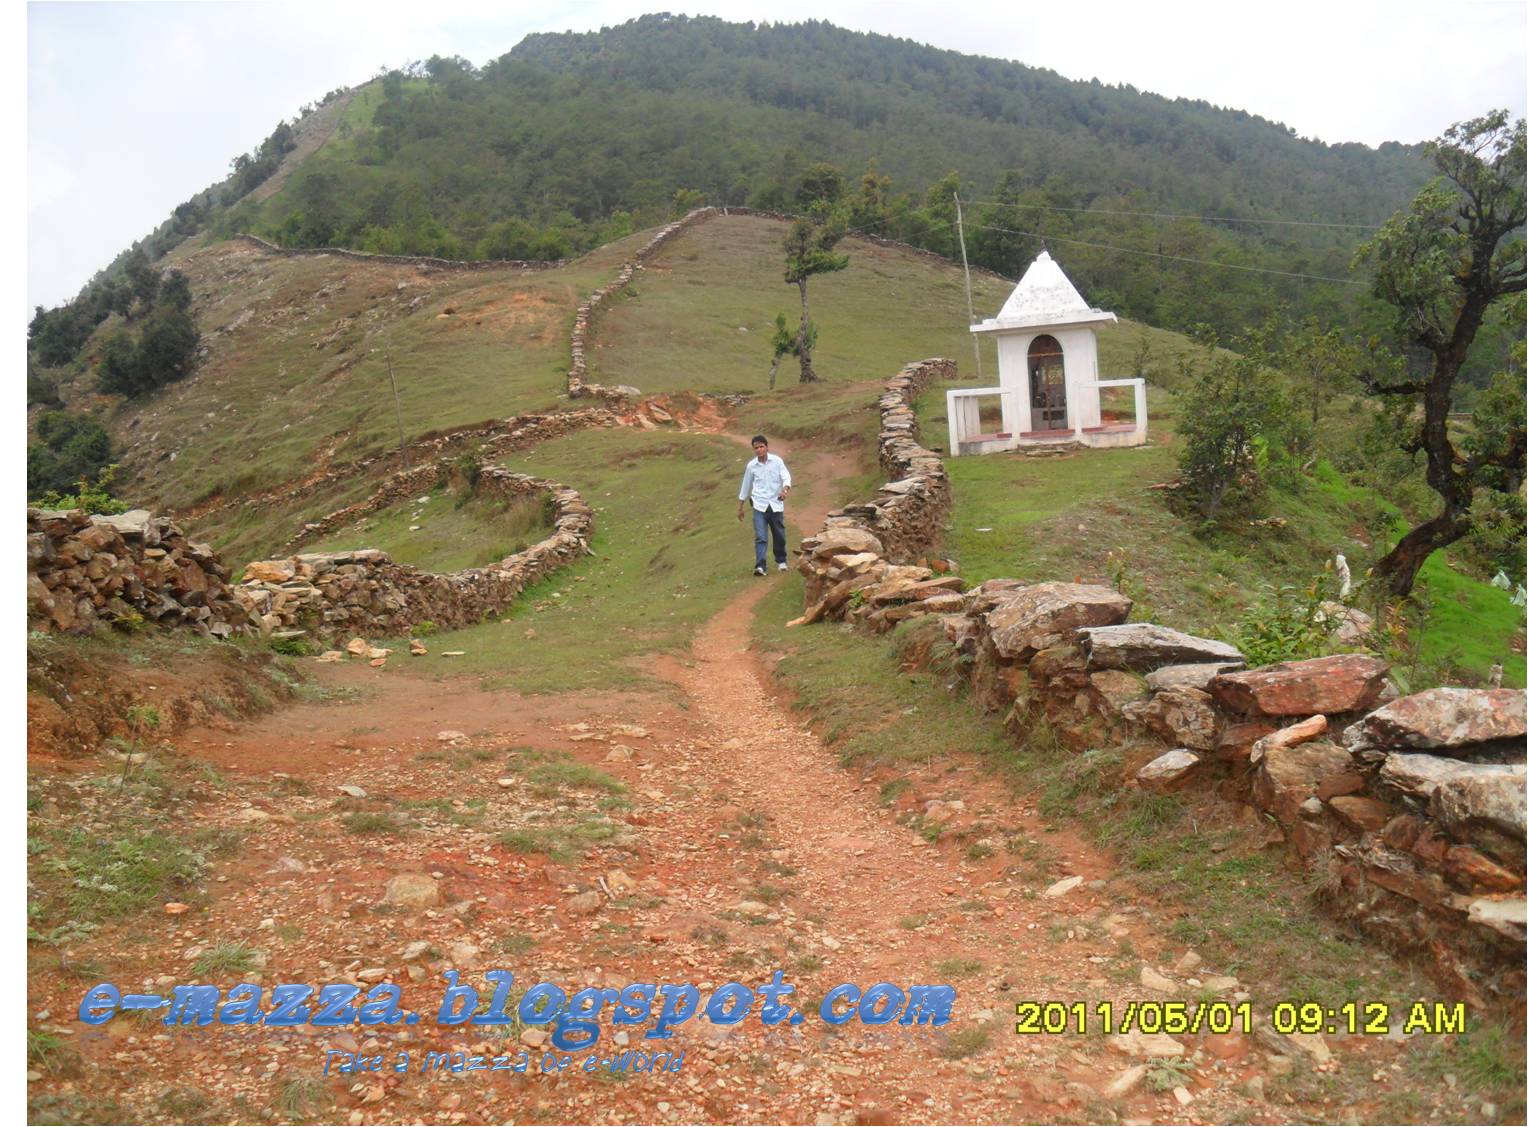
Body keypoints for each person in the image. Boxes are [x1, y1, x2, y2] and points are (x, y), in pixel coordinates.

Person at [736, 435, 792, 576]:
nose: (759, 450)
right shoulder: (751, 466)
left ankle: (781, 561)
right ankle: (760, 566)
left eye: (761, 447)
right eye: (756, 448)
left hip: (775, 504)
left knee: (779, 534)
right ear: (753, 450)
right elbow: (746, 485)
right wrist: (740, 507)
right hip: (759, 505)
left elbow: (786, 477)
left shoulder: (777, 461)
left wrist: (785, 490)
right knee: (761, 536)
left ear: (767, 447)